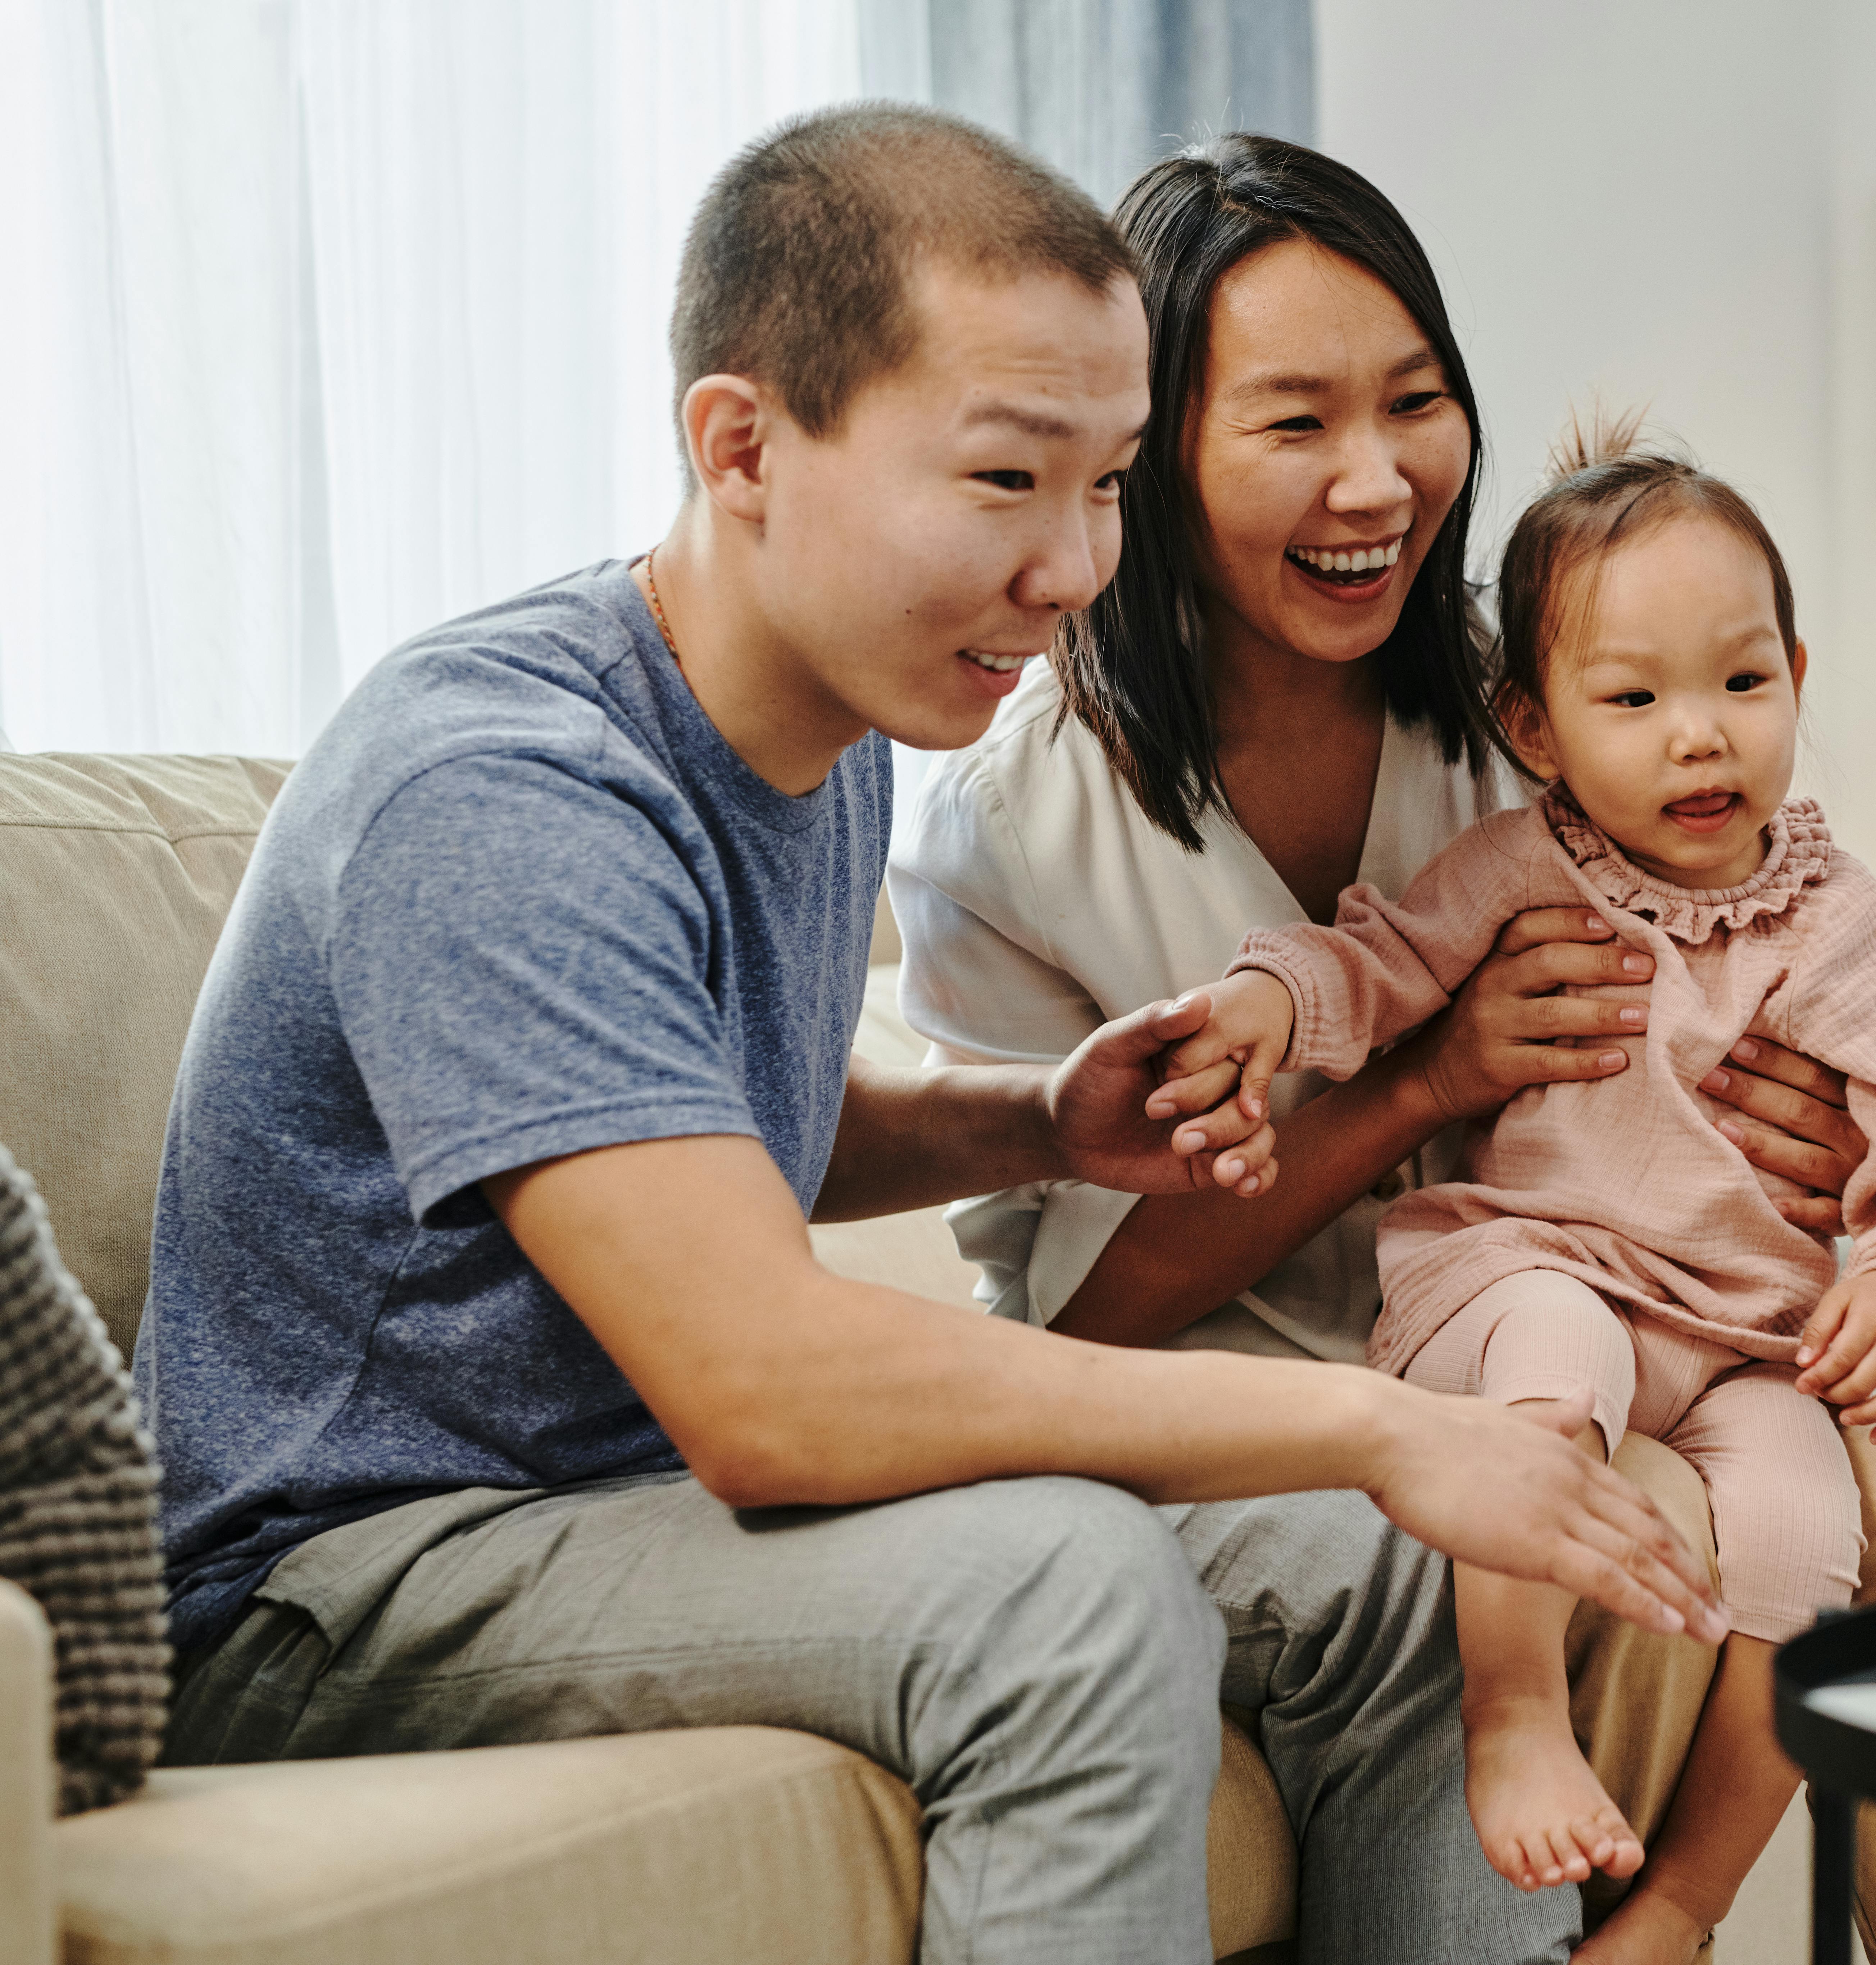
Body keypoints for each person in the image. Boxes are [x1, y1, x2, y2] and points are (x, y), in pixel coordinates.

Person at [134, 104, 1721, 1965]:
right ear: (742, 445)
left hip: (611, 1506)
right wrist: (1375, 1419)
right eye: (1004, 480)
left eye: (1111, 481)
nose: (1074, 566)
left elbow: (697, 1125)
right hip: (344, 1578)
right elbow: (769, 1390)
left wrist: (1035, 1118)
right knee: (1067, 1586)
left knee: (1401, 1581)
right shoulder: (501, 780)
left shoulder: (844, 722)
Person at [891, 132, 1876, 1963]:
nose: (1375, 478)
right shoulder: (1022, 829)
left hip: (1635, 1323)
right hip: (1277, 1413)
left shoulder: (1547, 695)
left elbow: (1807, 993)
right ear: (1149, 449)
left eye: (1416, 402)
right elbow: (1086, 1337)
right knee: (1596, 1506)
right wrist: (1422, 1078)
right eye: (1292, 421)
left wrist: (1800, 1155)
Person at [1157, 421, 1876, 1960]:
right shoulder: (1515, 869)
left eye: (1741, 685)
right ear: (1537, 727)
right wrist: (1265, 1008)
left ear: (1797, 677)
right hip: (1519, 1277)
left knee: (1807, 1549)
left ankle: (1682, 1898)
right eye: (1633, 699)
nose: (1700, 738)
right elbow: (1369, 965)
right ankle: (1508, 1714)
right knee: (1562, 1358)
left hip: (1745, 1339)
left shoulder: (1847, 931)